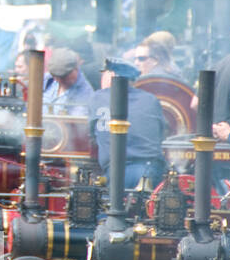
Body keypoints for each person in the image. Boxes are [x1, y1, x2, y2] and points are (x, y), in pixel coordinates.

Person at [91, 58, 168, 188]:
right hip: (150, 170)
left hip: (115, 172)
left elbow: (92, 136)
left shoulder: (97, 98)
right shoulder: (151, 99)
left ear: (112, 75)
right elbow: (161, 134)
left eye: (104, 73)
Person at [44, 47, 93, 116]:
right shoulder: (46, 79)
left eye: (64, 76)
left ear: (75, 69)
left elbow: (75, 123)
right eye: (56, 76)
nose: (60, 80)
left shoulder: (85, 94)